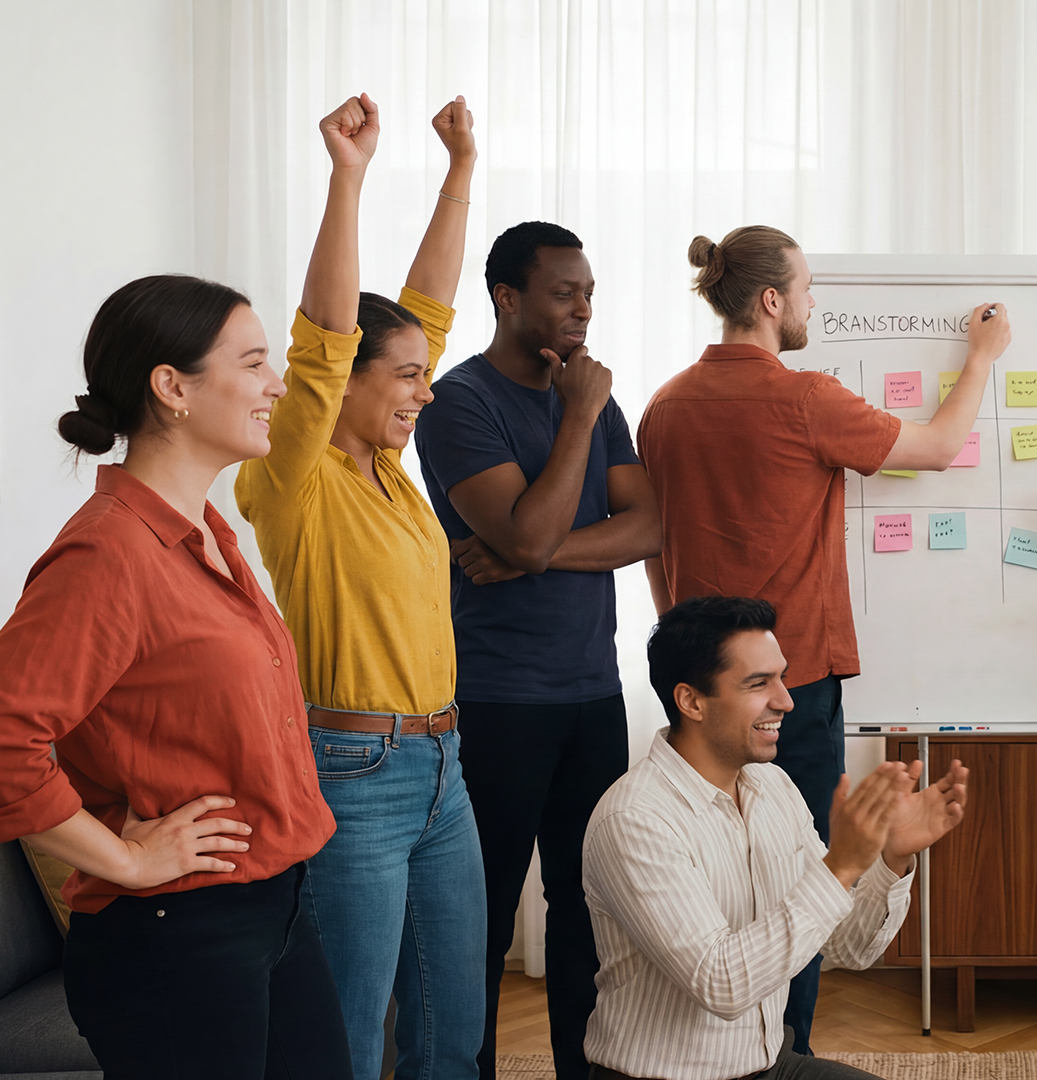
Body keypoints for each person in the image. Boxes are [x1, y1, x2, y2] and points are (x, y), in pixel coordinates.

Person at [635, 226, 1009, 1050]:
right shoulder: (806, 398)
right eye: (806, 289)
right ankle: (785, 1053)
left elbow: (660, 549)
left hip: (698, 693)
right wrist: (982, 356)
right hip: (787, 692)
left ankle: (724, 1051)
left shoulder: (663, 406)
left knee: (718, 878)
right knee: (804, 878)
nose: (813, 304)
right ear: (771, 302)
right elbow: (941, 447)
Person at [0, 273, 351, 1078]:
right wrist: (123, 860)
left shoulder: (208, 532)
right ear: (172, 388)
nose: (277, 384)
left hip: (277, 905)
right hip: (174, 933)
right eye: (255, 362)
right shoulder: (107, 553)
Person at [233, 94, 484, 1080]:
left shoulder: (393, 471)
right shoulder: (291, 477)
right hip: (352, 772)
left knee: (451, 1035)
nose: (426, 391)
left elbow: (422, 307)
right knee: (345, 1041)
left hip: (443, 770)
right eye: (408, 378)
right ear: (342, 383)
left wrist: (461, 170)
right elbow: (323, 341)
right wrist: (349, 177)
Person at [413, 221, 660, 1080]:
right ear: (508, 298)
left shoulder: (596, 396)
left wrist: (535, 549)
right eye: (564, 292)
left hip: (593, 693)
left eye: (589, 291)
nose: (584, 308)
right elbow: (523, 530)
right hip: (494, 702)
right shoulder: (459, 404)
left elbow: (648, 525)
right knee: (472, 919)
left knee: (587, 908)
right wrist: (580, 416)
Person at [580, 596, 968, 1080]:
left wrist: (890, 859)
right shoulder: (634, 820)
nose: (786, 700)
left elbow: (850, 948)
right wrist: (841, 867)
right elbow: (721, 984)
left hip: (769, 1065)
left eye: (781, 677)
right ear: (691, 701)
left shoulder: (773, 786)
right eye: (758, 684)